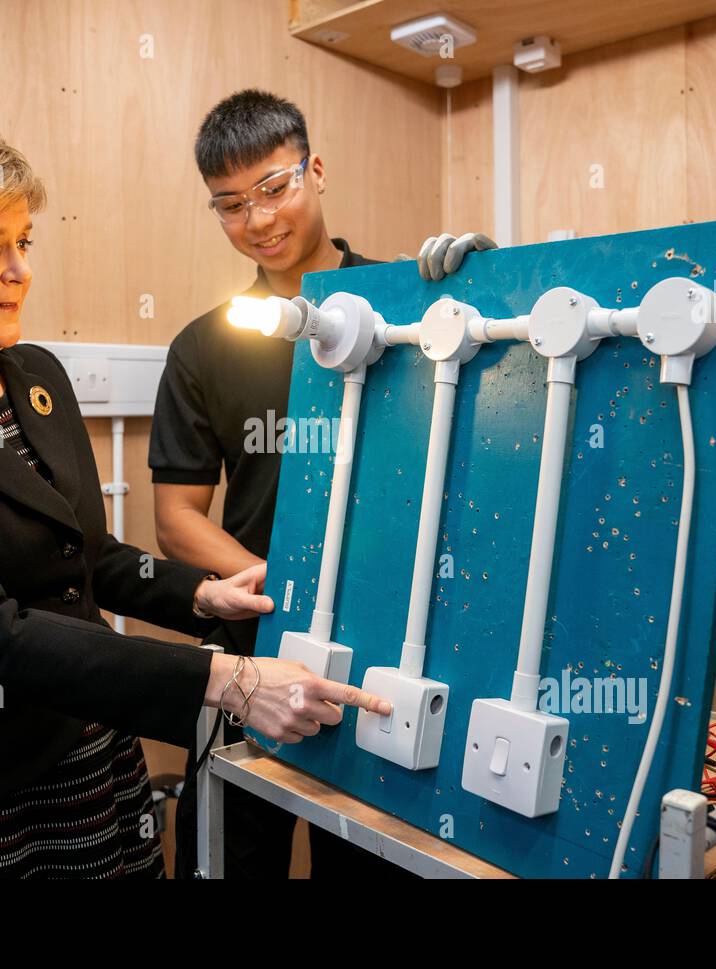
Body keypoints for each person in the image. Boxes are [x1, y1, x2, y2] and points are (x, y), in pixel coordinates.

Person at [0, 101, 390, 879]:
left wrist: (205, 596)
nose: (19, 271)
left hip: (91, 762)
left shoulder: (34, 378)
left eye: (24, 242)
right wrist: (227, 677)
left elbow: (91, 556)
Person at [150, 89, 492, 878]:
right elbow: (176, 519)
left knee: (371, 850)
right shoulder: (205, 347)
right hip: (257, 641)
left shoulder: (413, 301)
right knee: (234, 847)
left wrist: (486, 276)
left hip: (390, 635)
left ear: (317, 170)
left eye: (276, 188)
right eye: (231, 206)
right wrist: (277, 591)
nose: (260, 221)